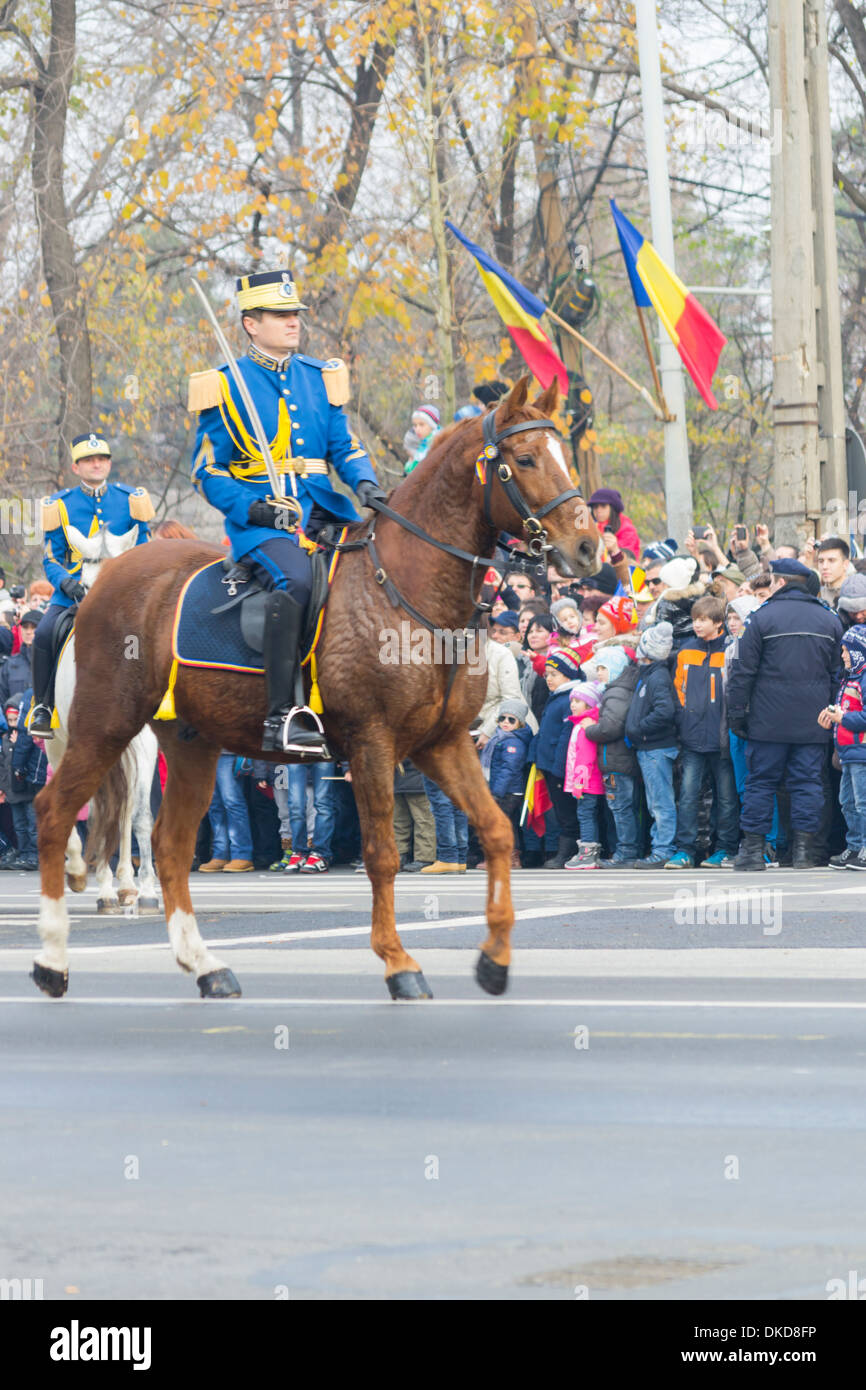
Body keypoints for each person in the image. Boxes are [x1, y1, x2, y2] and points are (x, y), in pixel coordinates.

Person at [189, 268, 384, 754]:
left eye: (294, 314)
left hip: (324, 509)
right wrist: (253, 508)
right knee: (296, 579)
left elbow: (344, 444)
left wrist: (366, 483)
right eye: (280, 315)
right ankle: (283, 714)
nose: (293, 322)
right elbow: (208, 472)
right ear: (251, 323)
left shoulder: (320, 377)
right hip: (263, 522)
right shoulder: (222, 385)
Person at [29, 431, 153, 735]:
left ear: (109, 464)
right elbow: (51, 557)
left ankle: (166, 700)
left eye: (101, 459)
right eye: (88, 460)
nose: (95, 464)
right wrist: (67, 584)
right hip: (72, 596)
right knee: (45, 633)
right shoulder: (59, 505)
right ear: (76, 467)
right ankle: (43, 706)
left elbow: (146, 548)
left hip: (123, 594)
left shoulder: (131, 500)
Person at [727, 558, 843, 870]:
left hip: (767, 722)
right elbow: (838, 674)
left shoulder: (760, 618)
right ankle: (804, 851)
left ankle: (752, 851)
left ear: (780, 582)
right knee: (807, 783)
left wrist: (736, 714)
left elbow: (742, 672)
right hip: (813, 721)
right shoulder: (828, 619)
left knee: (761, 783)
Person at [666, 595, 739, 868]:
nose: (696, 624)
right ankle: (685, 849)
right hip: (693, 736)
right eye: (695, 619)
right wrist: (684, 720)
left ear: (718, 622)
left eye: (703, 620)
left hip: (721, 737)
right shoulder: (685, 651)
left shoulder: (731, 650)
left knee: (726, 797)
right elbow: (678, 691)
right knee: (687, 795)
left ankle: (725, 848)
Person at [625, 621, 679, 868]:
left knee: (660, 801)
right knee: (655, 801)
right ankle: (661, 847)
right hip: (650, 748)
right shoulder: (650, 674)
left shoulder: (657, 676)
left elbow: (665, 711)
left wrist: (639, 729)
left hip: (655, 748)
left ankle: (663, 849)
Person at [583, 646, 641, 867]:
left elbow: (610, 727)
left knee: (621, 808)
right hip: (622, 760)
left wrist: (590, 729)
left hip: (616, 760)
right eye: (597, 668)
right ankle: (627, 850)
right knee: (626, 807)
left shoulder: (615, 692)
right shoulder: (623, 689)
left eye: (603, 668)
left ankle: (625, 853)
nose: (599, 673)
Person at [528, 648, 585, 869]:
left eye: (553, 674)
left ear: (568, 674)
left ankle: (568, 849)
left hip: (559, 766)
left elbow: (565, 737)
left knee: (566, 811)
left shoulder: (569, 698)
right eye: (547, 674)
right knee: (559, 811)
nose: (548, 679)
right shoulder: (557, 697)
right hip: (549, 764)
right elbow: (544, 732)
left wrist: (559, 768)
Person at [818, 626, 866, 869]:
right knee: (846, 801)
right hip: (848, 752)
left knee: (863, 802)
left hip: (862, 753)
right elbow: (846, 711)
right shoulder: (849, 678)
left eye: (847, 651)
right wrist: (830, 716)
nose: (843, 656)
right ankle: (855, 845)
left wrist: (842, 718)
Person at [478, 698, 532, 868]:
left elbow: (509, 769)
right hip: (503, 789)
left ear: (520, 723)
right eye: (502, 718)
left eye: (511, 719)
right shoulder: (500, 738)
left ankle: (506, 857)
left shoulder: (513, 742)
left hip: (508, 792)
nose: (505, 723)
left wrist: (496, 793)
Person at [563, 681, 605, 869]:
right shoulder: (581, 724)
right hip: (587, 782)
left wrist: (578, 783)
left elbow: (585, 757)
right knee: (587, 814)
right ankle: (589, 852)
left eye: (578, 701)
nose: (573, 704)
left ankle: (587, 852)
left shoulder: (585, 727)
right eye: (572, 700)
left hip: (587, 783)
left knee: (585, 814)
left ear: (589, 704)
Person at [199, 753, 255, 871]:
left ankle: (242, 854)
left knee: (233, 802)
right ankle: (220, 854)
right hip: (206, 752)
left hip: (228, 751)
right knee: (214, 805)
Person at [652, 556, 704, 649]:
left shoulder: (667, 602)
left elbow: (660, 627)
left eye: (665, 582)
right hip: (697, 640)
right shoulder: (700, 596)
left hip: (674, 643)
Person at [393, 759, 436, 872]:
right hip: (404, 777)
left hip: (414, 776)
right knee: (400, 821)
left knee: (422, 821)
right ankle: (403, 855)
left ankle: (424, 857)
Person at [0, 609, 39, 707]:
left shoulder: (50, 662)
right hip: (13, 720)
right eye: (25, 627)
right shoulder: (9, 664)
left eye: (33, 627)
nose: (28, 632)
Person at [587, 488, 641, 558]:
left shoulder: (627, 529)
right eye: (595, 507)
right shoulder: (592, 526)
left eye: (603, 506)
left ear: (613, 508)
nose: (598, 510)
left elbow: (628, 558)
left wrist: (615, 549)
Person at [816, 536, 854, 609]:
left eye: (831, 560)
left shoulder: (858, 593)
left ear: (845, 564)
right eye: (821, 561)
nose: (824, 566)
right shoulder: (816, 594)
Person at [403, 404, 440, 473]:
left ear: (432, 425)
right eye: (415, 425)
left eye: (421, 424)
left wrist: (410, 464)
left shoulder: (436, 443)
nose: (417, 429)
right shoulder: (422, 443)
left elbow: (417, 471)